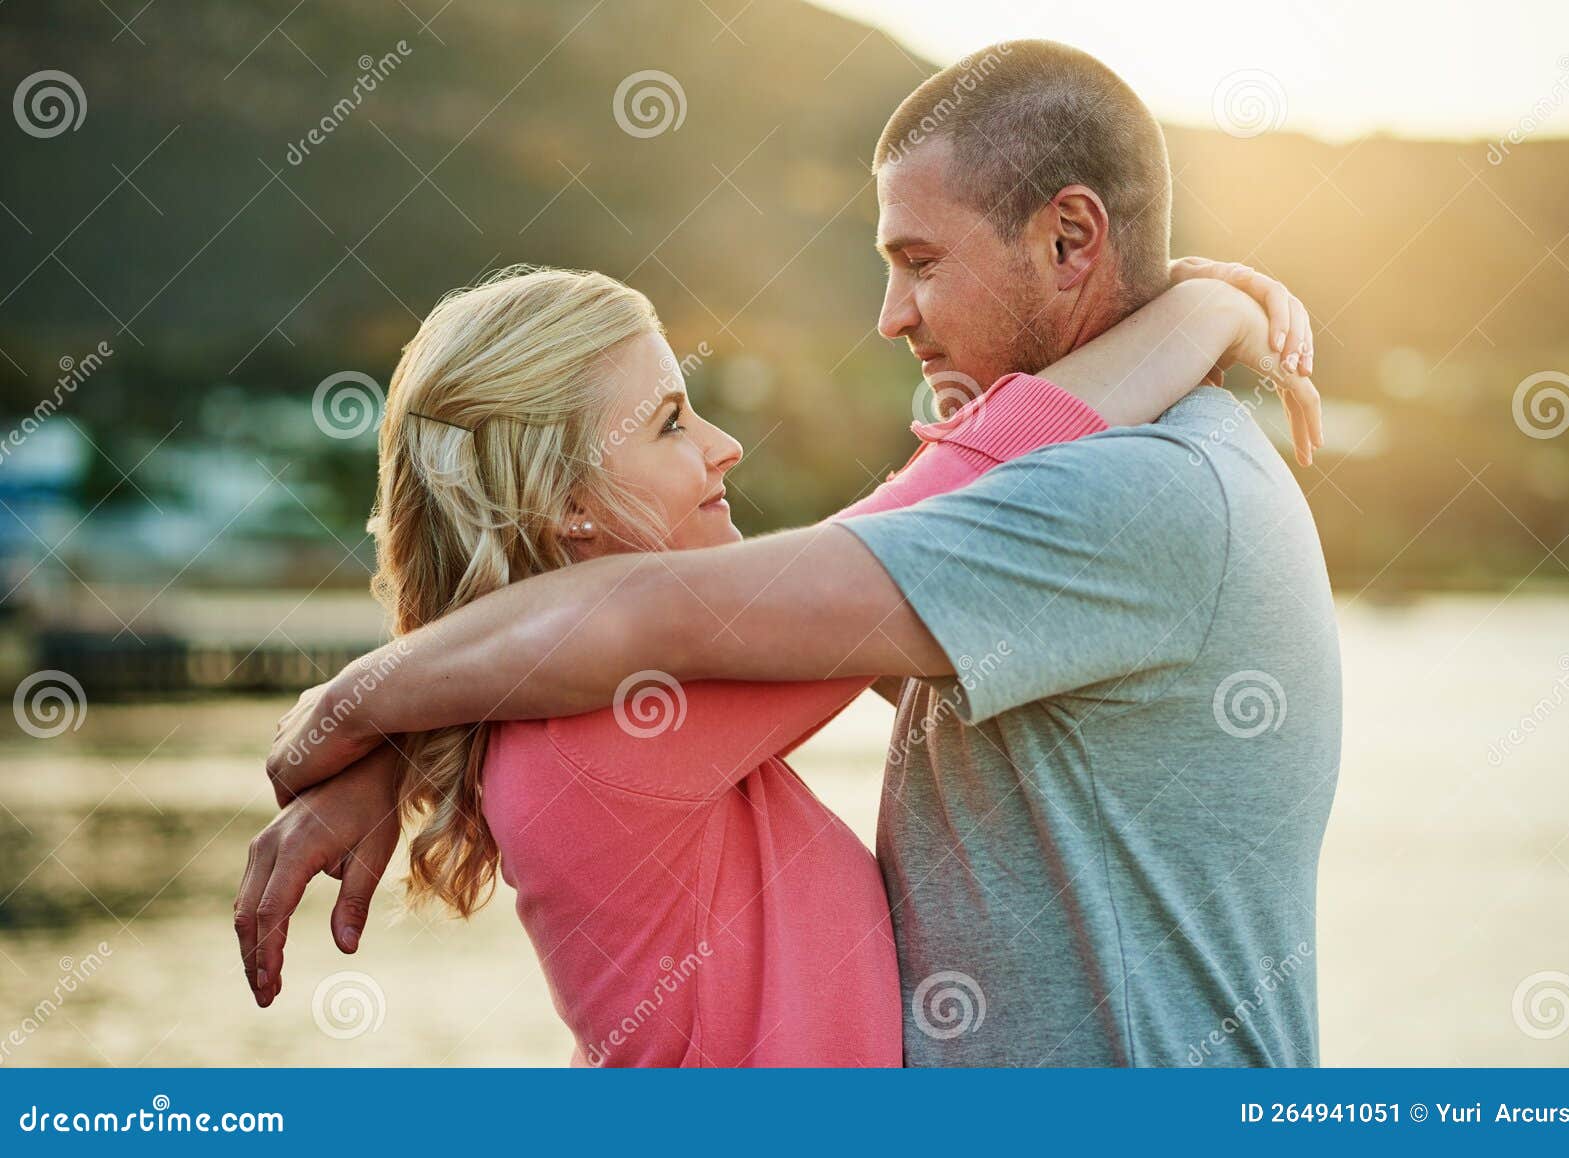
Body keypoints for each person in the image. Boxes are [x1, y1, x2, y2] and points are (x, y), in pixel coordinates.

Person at [244, 40, 1341, 1067]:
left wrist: (381, 720)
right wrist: (1201, 310)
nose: (889, 317)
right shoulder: (610, 719)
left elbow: (805, 562)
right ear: (560, 504)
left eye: (919, 261)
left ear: (1069, 239)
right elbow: (847, 542)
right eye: (671, 423)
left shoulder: (1134, 491)